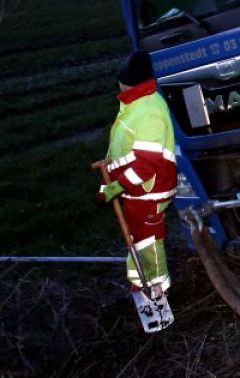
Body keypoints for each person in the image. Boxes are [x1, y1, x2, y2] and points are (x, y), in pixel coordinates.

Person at [99, 50, 177, 297]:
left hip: (149, 190)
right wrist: (111, 177)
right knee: (139, 237)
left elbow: (146, 164)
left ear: (129, 81)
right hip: (137, 190)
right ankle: (140, 282)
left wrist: (117, 185)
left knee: (148, 240)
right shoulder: (135, 103)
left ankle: (158, 291)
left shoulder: (147, 111)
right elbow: (125, 149)